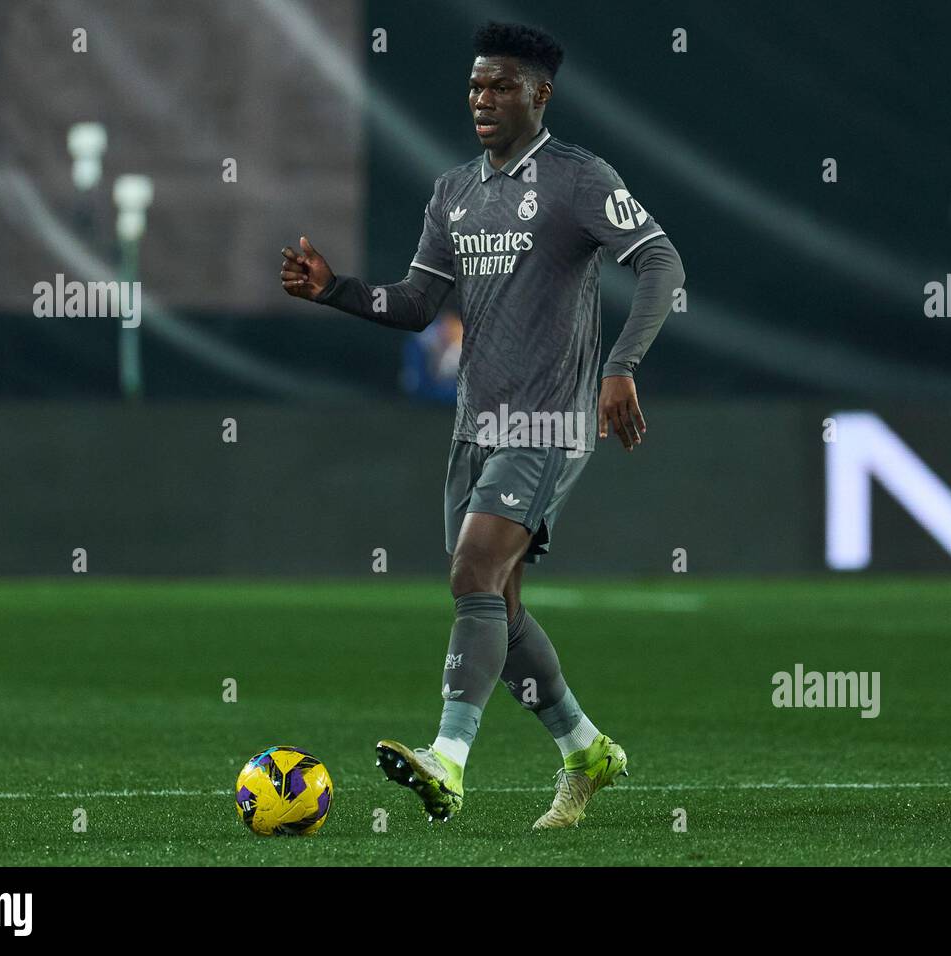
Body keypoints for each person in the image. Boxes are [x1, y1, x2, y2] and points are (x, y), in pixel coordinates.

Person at [281, 20, 684, 829]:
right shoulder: (454, 192)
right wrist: (336, 289)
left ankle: (448, 762)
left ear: (541, 94)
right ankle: (585, 750)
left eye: (500, 86)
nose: (483, 99)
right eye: (474, 86)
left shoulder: (578, 179)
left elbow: (661, 262)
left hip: (547, 422)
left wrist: (620, 366)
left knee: (471, 575)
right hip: (475, 429)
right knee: (496, 603)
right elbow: (417, 304)